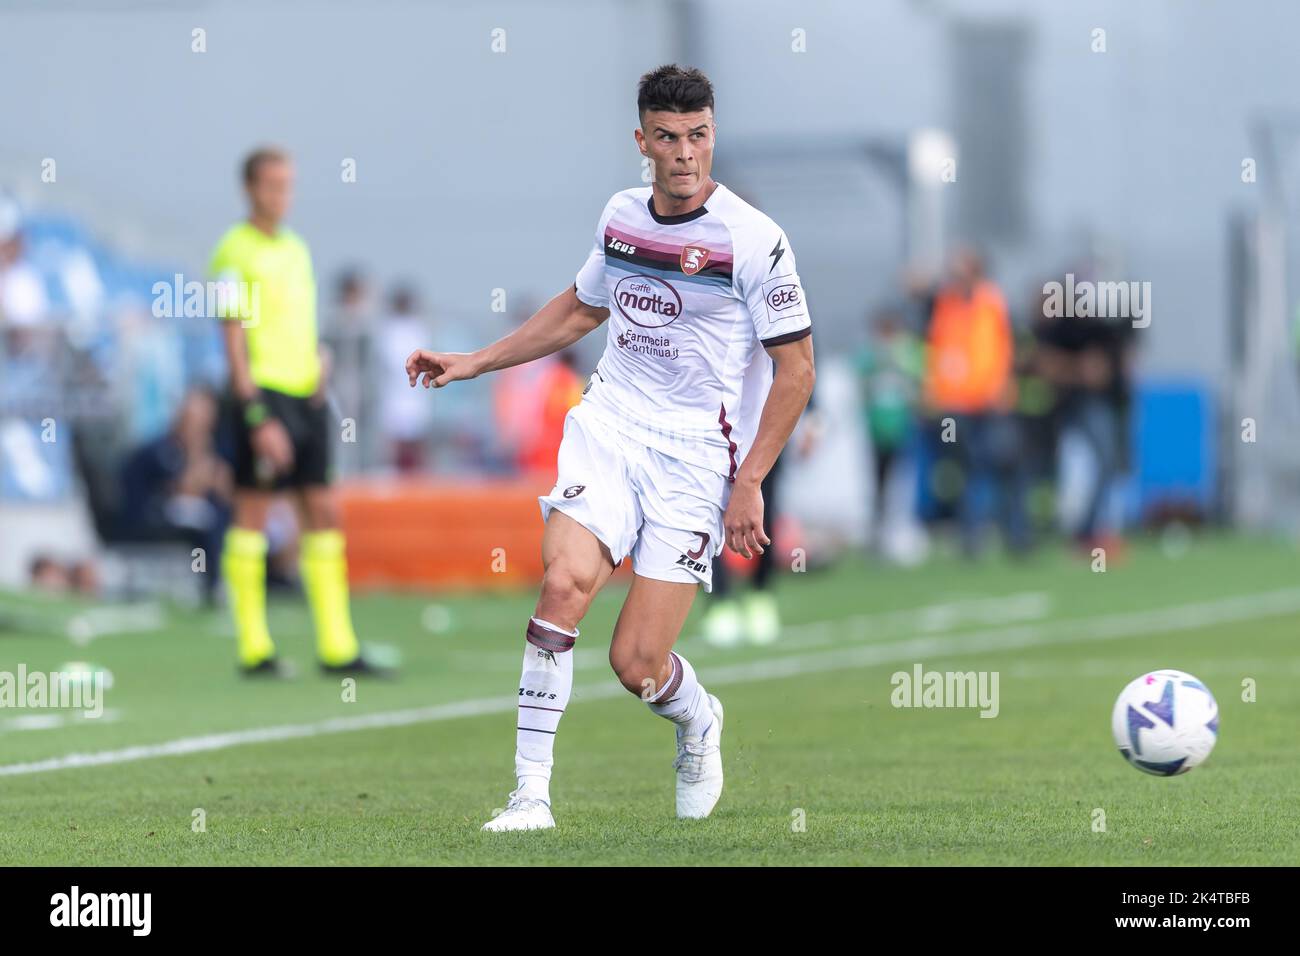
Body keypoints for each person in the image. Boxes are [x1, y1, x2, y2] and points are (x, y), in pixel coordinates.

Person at [406, 65, 815, 830]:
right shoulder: (621, 217)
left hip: (697, 458)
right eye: (668, 138)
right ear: (642, 142)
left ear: (713, 135)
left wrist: (751, 481)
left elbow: (798, 370)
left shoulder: (755, 241)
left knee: (635, 664)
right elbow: (579, 310)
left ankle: (697, 718)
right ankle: (530, 795)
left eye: (698, 136)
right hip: (611, 426)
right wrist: (473, 362)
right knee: (562, 586)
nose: (685, 154)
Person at [210, 147, 384, 677]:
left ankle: (337, 647)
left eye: (287, 185)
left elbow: (295, 322)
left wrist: (318, 359)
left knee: (323, 512)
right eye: (271, 185)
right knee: (253, 513)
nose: (281, 195)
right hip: (263, 396)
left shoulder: (296, 248)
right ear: (249, 189)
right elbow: (233, 339)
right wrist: (255, 414)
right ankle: (253, 649)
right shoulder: (232, 252)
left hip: (307, 397)